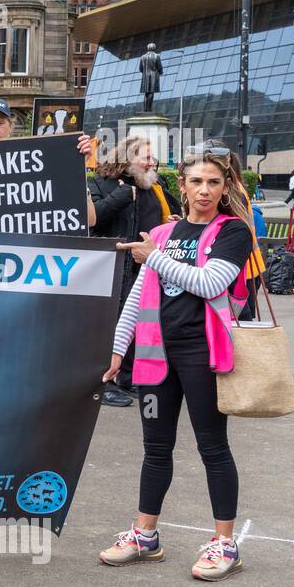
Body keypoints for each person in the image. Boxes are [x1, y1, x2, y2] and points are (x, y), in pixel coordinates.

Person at [100, 149, 254, 581]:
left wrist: (154, 256)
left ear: (225, 190)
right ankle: (145, 535)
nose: (204, 190)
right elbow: (137, 298)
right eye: (196, 182)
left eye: (214, 183)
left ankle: (225, 542)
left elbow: (210, 283)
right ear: (182, 186)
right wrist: (117, 348)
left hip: (203, 356)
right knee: (155, 448)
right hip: (155, 354)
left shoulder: (233, 232)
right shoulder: (163, 233)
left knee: (213, 448)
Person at [88, 135, 182, 406]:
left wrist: (175, 222)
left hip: (148, 269)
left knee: (141, 325)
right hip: (114, 268)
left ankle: (129, 378)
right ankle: (104, 384)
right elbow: (93, 220)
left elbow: (174, 217)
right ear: (127, 160)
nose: (152, 163)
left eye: (154, 158)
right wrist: (120, 196)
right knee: (110, 327)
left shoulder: (156, 188)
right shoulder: (100, 183)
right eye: (146, 158)